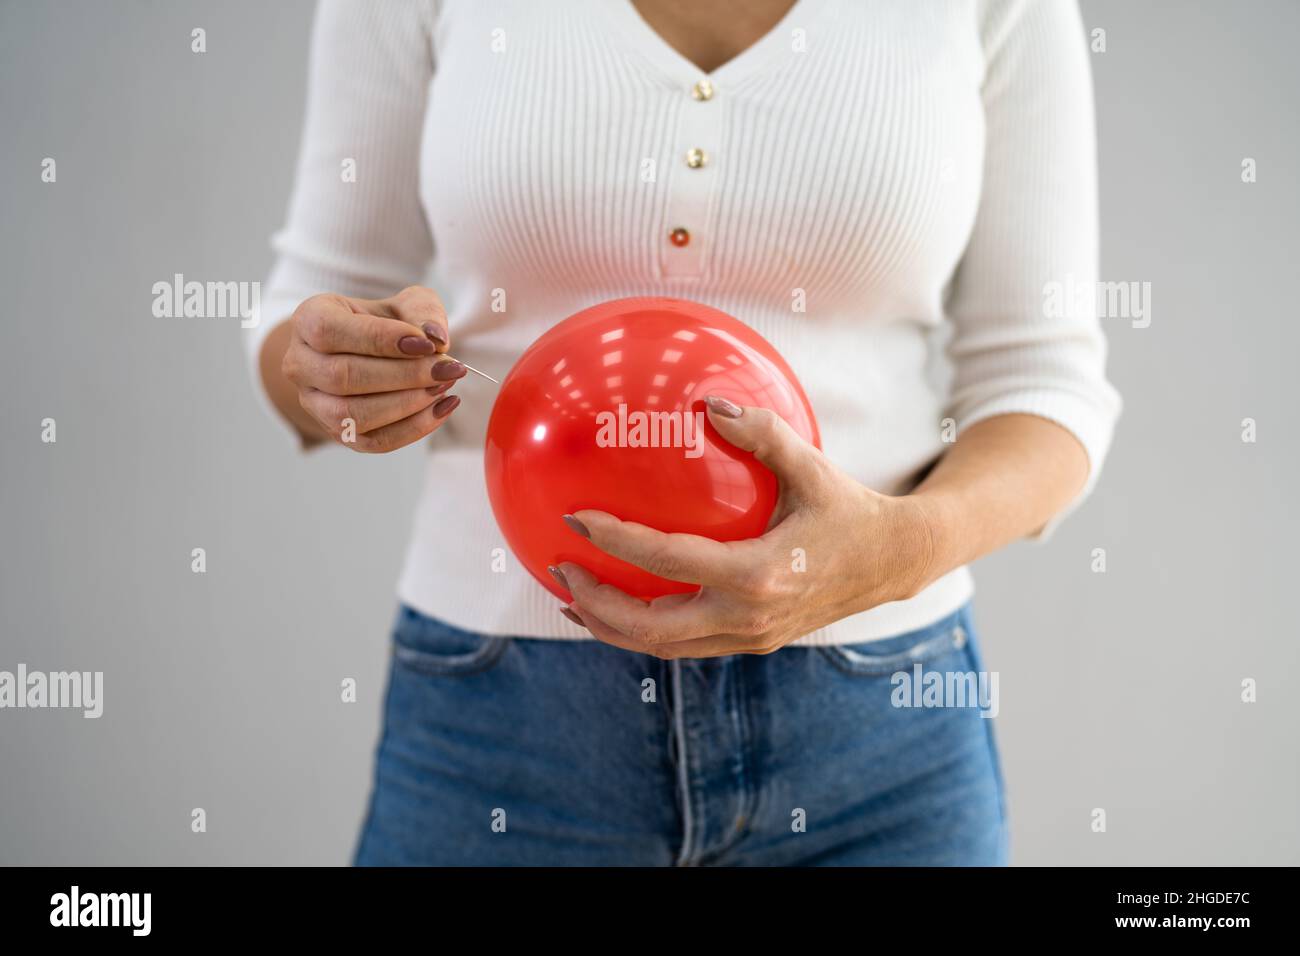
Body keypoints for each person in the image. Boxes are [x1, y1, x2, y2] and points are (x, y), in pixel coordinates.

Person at [246, 0, 1120, 865]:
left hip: (878, 729)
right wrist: (336, 369)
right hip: (499, 716)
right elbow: (311, 304)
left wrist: (901, 549)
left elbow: (1043, 382)